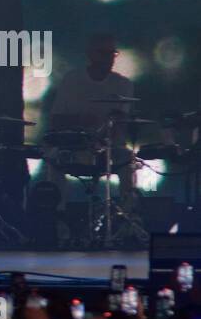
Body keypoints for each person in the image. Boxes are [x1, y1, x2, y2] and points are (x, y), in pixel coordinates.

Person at [42, 31, 138, 211]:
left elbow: (121, 125)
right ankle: (56, 214)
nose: (109, 58)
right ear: (91, 54)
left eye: (112, 54)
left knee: (127, 160)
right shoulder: (72, 80)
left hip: (108, 147)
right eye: (103, 53)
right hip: (74, 146)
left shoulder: (124, 85)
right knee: (53, 158)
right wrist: (81, 121)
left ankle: (128, 215)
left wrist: (107, 135)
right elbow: (56, 120)